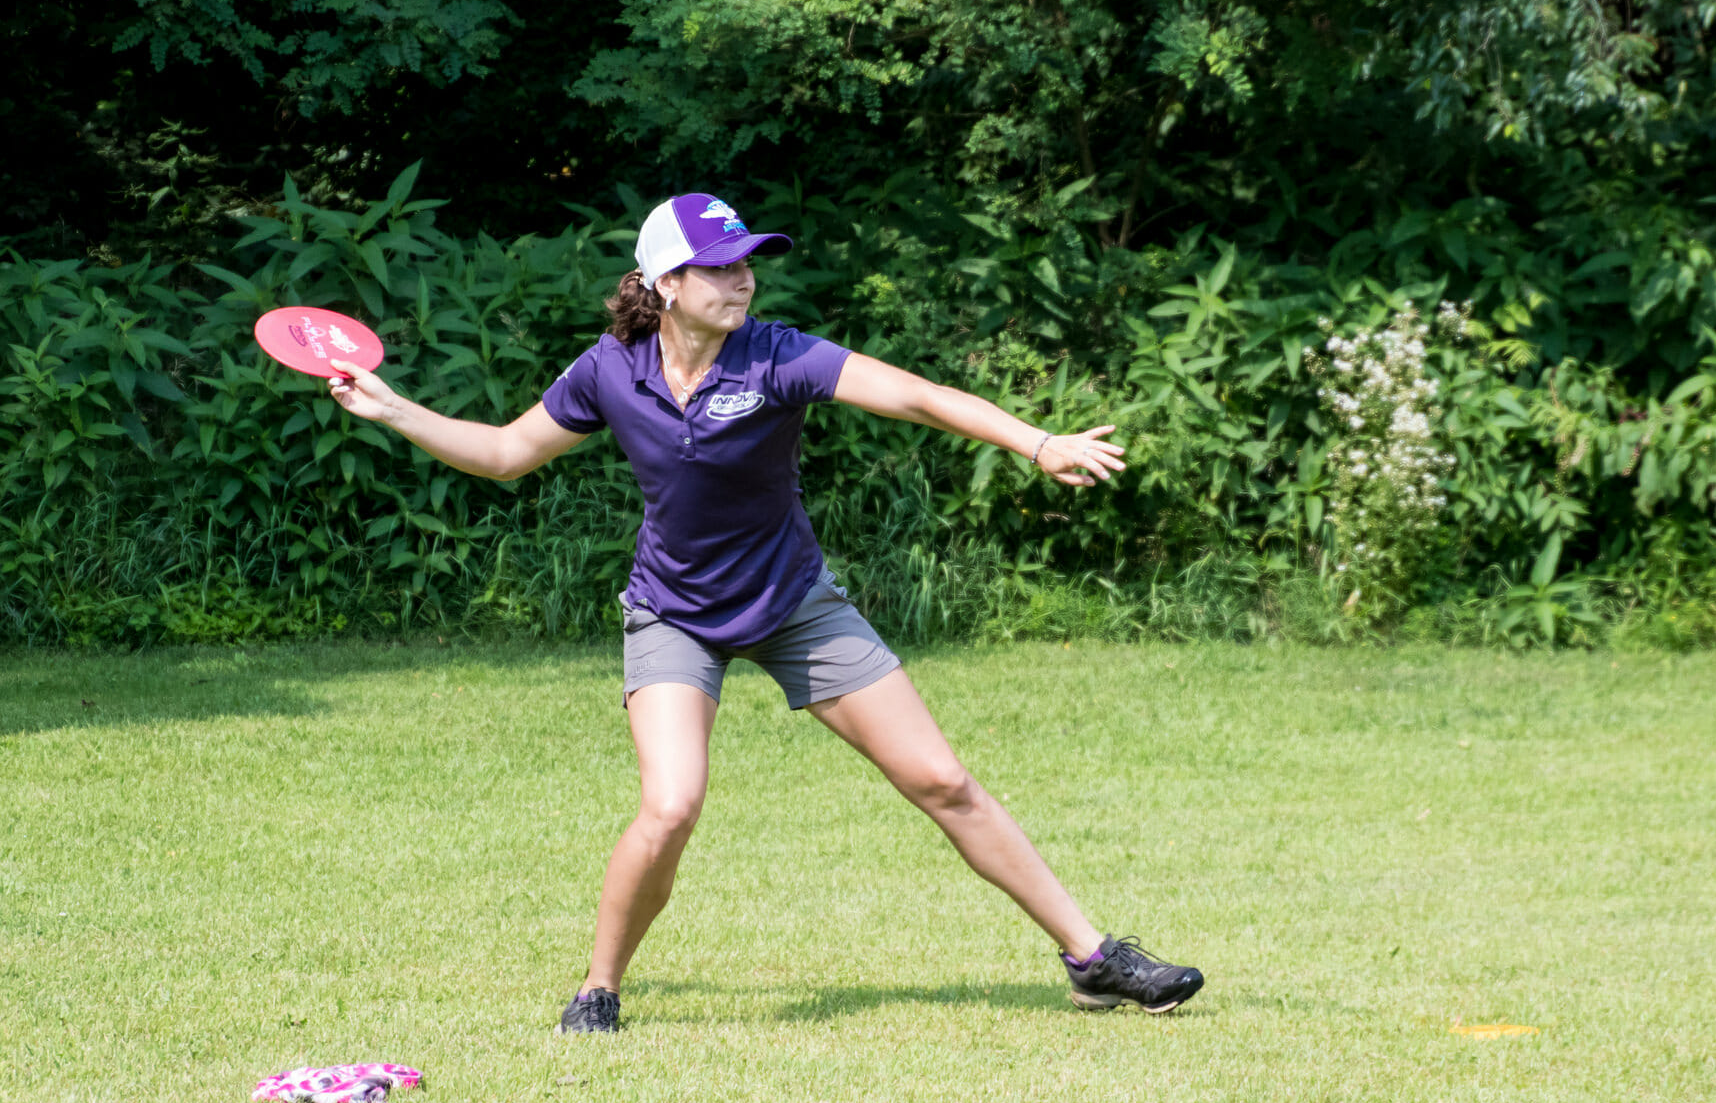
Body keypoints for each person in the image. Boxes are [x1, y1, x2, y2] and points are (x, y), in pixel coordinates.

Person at [327, 193, 1204, 1032]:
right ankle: (600, 987)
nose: (743, 279)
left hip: (793, 603)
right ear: (667, 283)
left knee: (941, 779)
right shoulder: (610, 368)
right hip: (675, 612)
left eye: (749, 263)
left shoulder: (778, 355)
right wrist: (393, 407)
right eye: (720, 267)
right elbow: (507, 452)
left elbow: (917, 395)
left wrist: (1036, 441)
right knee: (671, 804)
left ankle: (1092, 958)